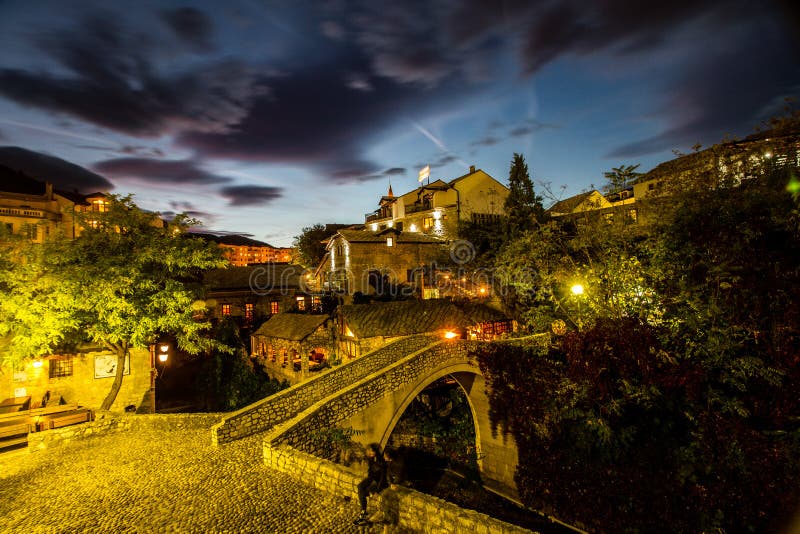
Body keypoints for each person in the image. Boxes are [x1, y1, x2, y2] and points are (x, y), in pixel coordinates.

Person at [353, 443, 387, 526]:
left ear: (376, 451)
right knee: (360, 486)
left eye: (372, 451)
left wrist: (377, 491)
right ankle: (363, 511)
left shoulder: (381, 461)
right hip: (371, 478)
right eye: (369, 451)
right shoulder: (372, 458)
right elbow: (371, 470)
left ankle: (363, 512)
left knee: (364, 493)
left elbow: (382, 478)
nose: (370, 453)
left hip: (377, 480)